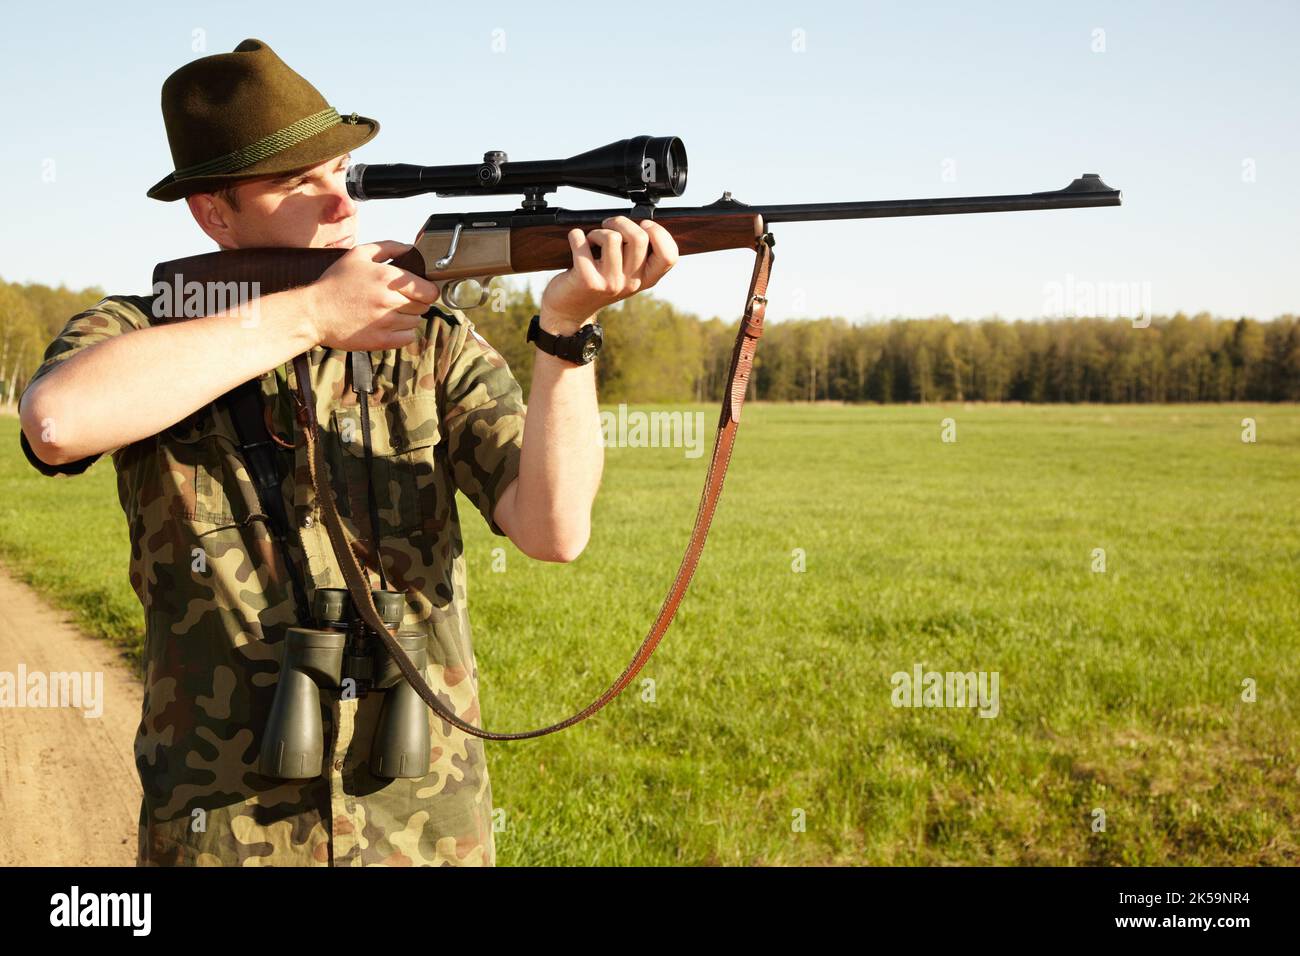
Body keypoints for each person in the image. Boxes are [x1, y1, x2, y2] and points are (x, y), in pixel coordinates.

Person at [16, 37, 677, 866]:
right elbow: (57, 422)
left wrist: (566, 333)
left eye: (344, 173)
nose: (341, 203)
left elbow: (553, 528)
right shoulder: (145, 330)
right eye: (299, 182)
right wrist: (308, 318)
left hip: (424, 828)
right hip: (224, 830)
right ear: (214, 214)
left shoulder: (428, 339)